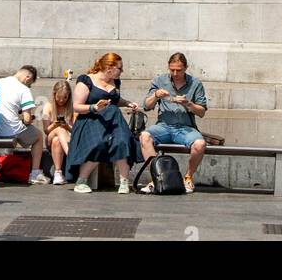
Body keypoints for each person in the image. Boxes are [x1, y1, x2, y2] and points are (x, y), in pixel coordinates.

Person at [65, 53, 140, 194]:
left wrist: (127, 103)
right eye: (120, 68)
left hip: (113, 118)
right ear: (109, 68)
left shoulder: (115, 81)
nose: (121, 71)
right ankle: (81, 180)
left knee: (122, 141)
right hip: (91, 119)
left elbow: (115, 100)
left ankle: (124, 181)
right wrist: (94, 107)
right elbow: (76, 106)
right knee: (98, 143)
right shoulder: (86, 81)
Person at [138, 52, 207, 193]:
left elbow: (201, 112)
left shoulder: (195, 83)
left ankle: (188, 177)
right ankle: (156, 179)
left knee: (200, 144)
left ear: (186, 68)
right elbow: (146, 105)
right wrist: (156, 95)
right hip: (164, 126)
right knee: (144, 136)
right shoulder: (159, 80)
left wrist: (188, 104)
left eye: (179, 70)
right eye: (172, 69)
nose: (175, 73)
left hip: (185, 127)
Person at [0, 66, 49, 183]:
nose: (29, 86)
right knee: (38, 136)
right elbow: (27, 119)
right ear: (27, 77)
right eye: (30, 83)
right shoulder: (24, 89)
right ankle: (35, 173)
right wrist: (26, 120)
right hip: (11, 131)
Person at [42, 80, 74, 185]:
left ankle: (58, 173)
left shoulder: (72, 107)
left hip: (66, 137)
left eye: (65, 97)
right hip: (50, 136)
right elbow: (46, 130)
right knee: (59, 130)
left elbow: (75, 130)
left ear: (69, 96)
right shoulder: (48, 106)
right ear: (54, 94)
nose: (61, 100)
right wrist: (55, 124)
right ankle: (70, 154)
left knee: (57, 140)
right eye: (59, 97)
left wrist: (67, 126)